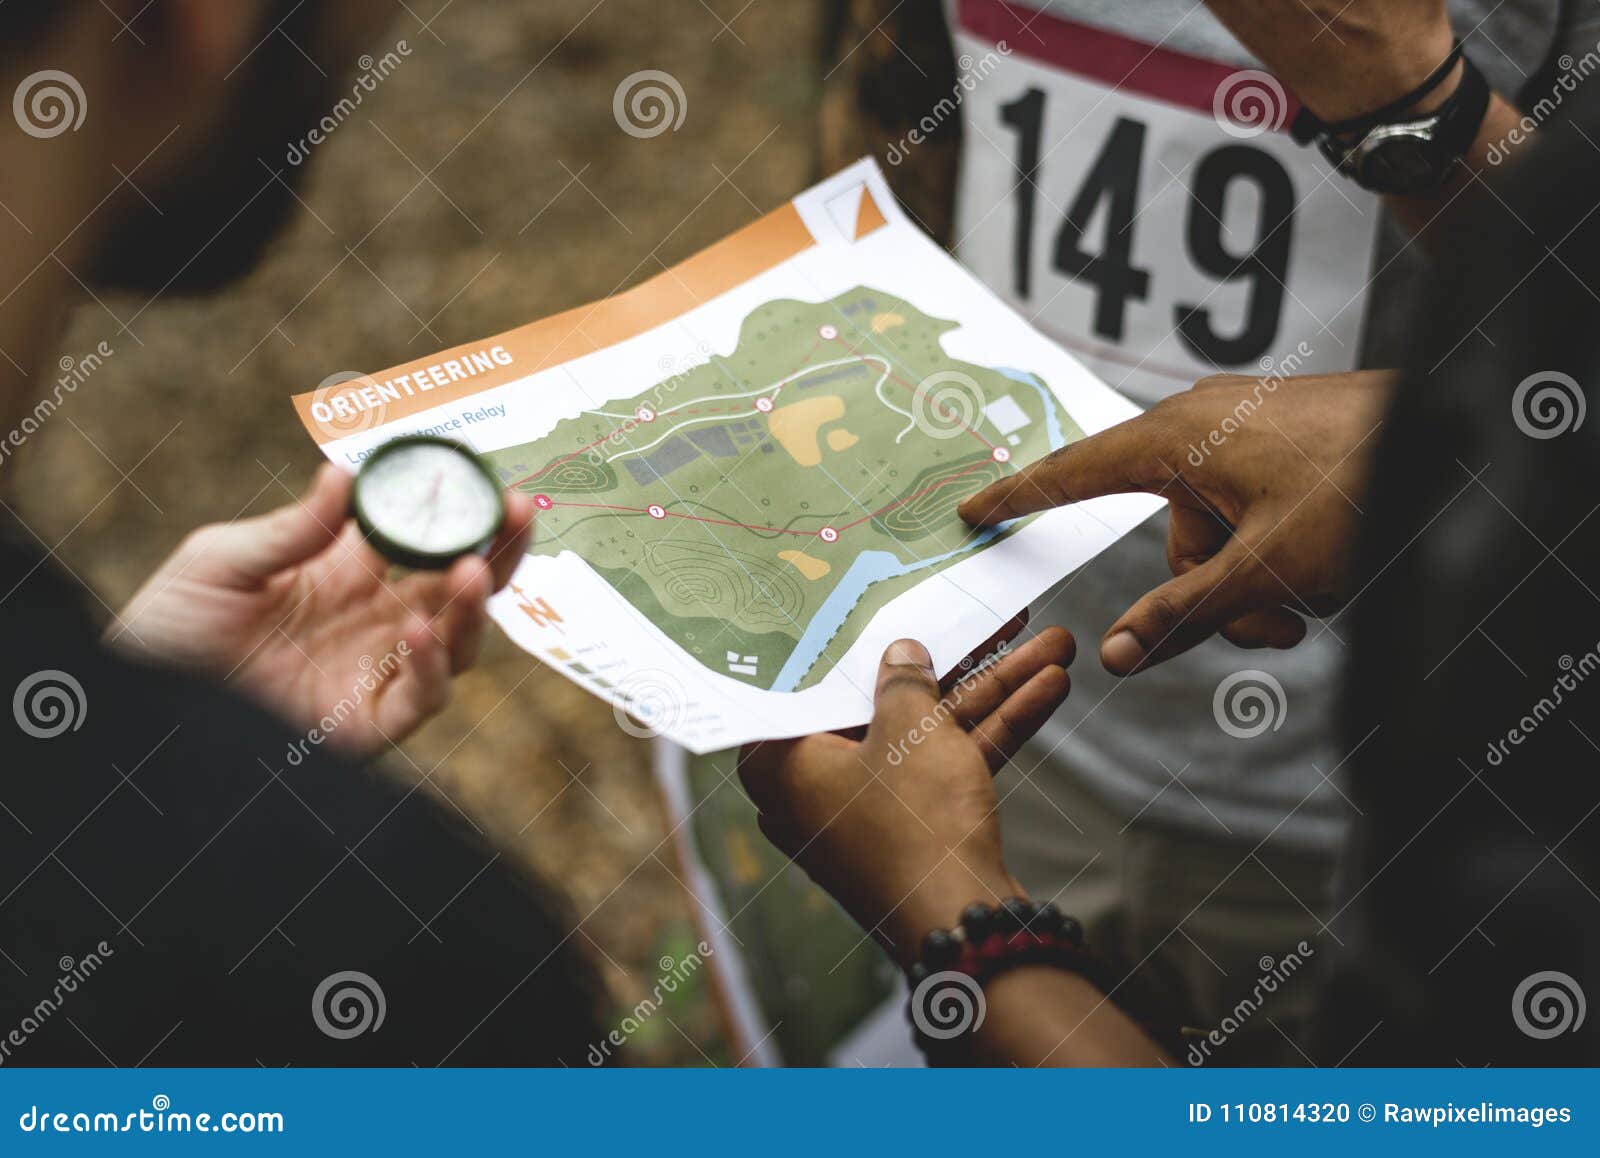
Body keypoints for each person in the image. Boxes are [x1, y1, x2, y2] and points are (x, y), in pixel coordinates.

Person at [747, 77, 1600, 1064]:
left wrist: (942, 908)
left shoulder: (1512, 910)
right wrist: (1406, 439)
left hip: (1326, 839)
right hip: (1043, 764)